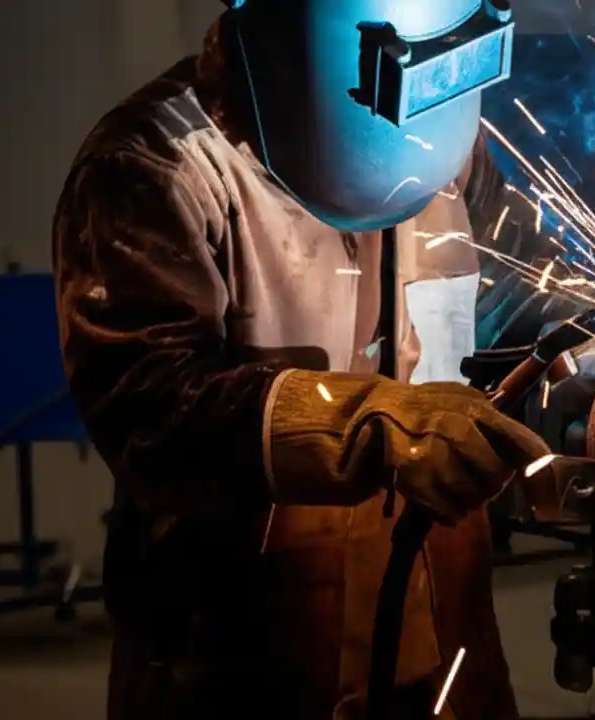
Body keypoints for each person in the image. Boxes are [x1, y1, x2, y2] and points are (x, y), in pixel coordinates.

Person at [51, 1, 544, 718]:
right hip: (241, 671)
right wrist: (363, 425)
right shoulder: (153, 165)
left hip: (442, 655)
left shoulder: (447, 148)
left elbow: (526, 295)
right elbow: (150, 409)